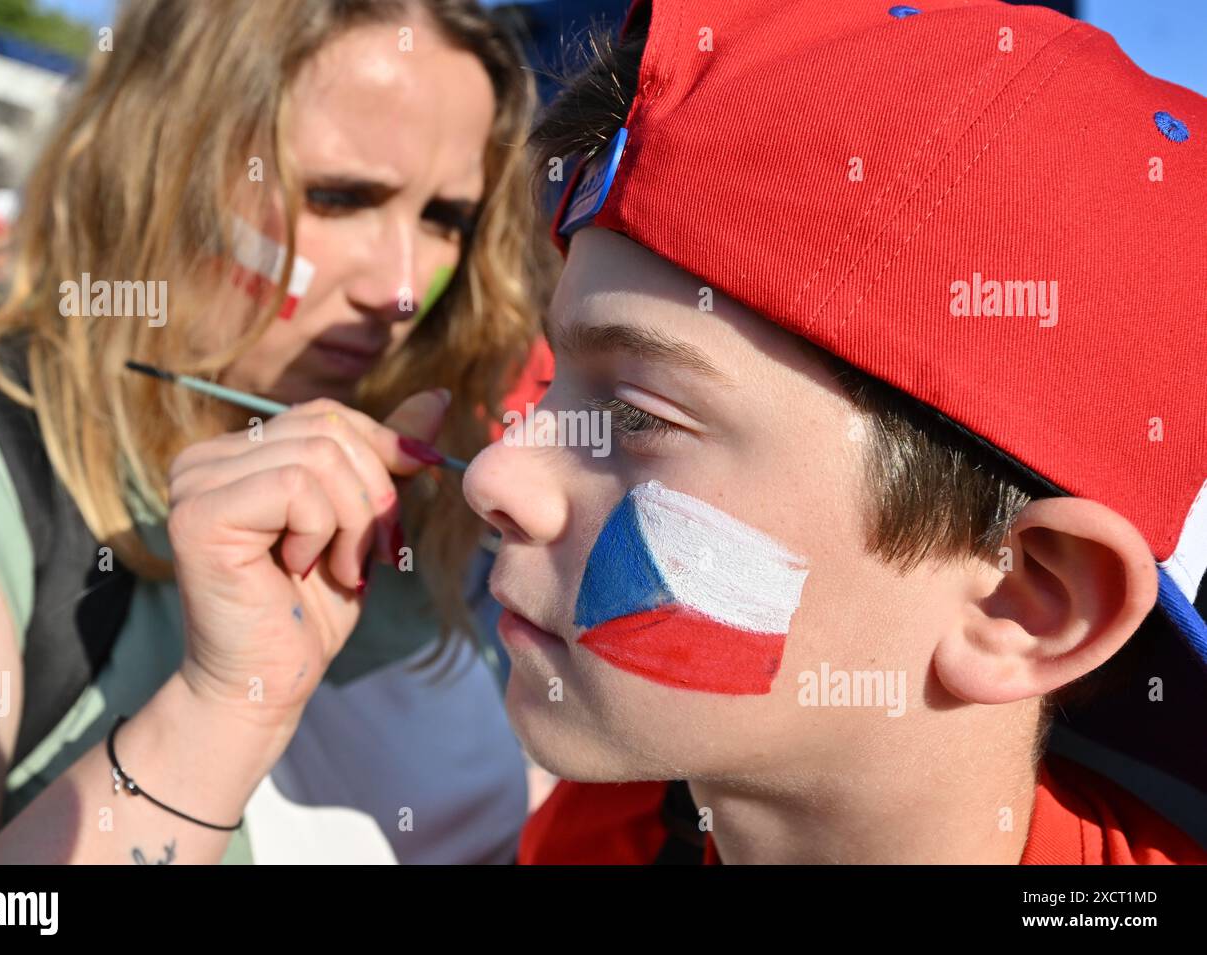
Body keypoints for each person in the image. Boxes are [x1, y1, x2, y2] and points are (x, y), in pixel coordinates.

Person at [466, 0, 1207, 863]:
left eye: (637, 414)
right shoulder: (603, 839)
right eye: (557, 381)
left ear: (1025, 599)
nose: (494, 474)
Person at [0, 0, 541, 864]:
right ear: (163, 163)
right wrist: (219, 711)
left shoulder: (421, 449)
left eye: (446, 219)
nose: (401, 286)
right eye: (341, 195)